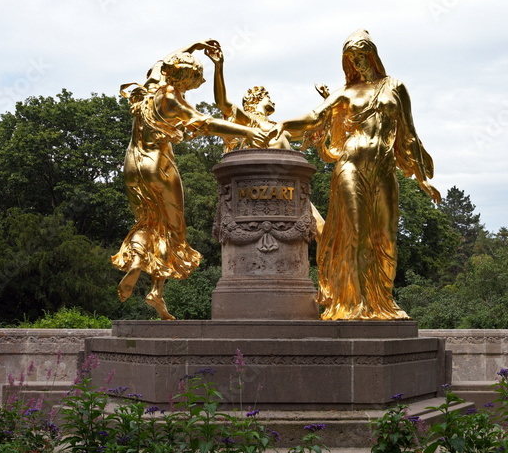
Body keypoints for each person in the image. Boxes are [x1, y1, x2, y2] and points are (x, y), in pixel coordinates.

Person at [279, 30, 440, 320]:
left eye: (361, 56)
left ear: (372, 56)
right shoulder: (345, 93)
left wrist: (422, 179)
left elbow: (410, 134)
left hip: (383, 169)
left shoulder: (394, 86)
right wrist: (283, 124)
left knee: (387, 238)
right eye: (352, 58)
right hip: (351, 165)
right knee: (357, 234)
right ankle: (355, 305)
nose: (357, 63)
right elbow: (315, 117)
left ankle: (383, 303)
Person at [113, 40, 265, 320]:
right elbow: (205, 123)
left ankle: (144, 273)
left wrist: (193, 46)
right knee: (173, 227)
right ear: (186, 77)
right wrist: (244, 132)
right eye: (196, 79)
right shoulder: (172, 99)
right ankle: (155, 286)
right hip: (159, 166)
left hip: (132, 166)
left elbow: (161, 61)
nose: (197, 83)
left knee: (148, 222)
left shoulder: (150, 88)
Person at [207, 42, 290, 152]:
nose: (273, 102)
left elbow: (309, 126)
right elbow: (221, 102)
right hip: (261, 163)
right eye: (268, 97)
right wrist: (219, 67)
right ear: (256, 98)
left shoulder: (276, 125)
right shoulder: (249, 119)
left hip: (284, 164)